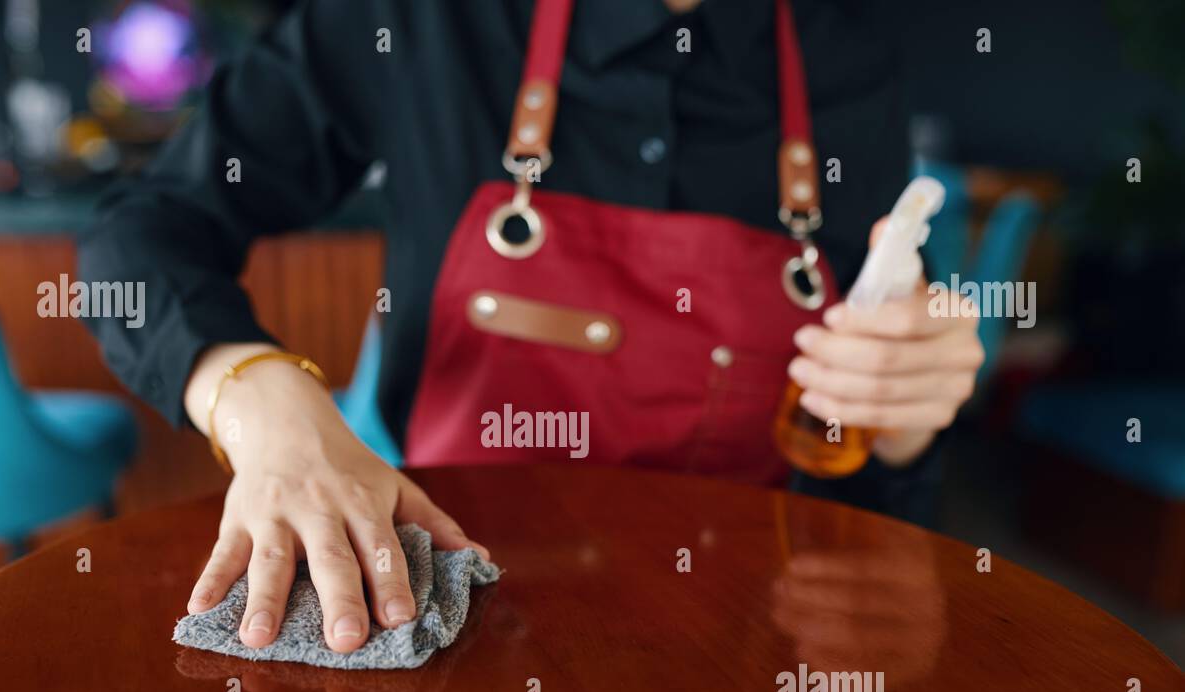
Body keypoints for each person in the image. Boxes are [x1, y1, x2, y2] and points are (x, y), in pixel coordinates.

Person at [78, 0, 983, 654]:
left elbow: (865, 427)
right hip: (454, 623)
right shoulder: (417, 24)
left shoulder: (848, 48)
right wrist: (262, 399)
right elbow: (144, 233)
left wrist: (902, 416)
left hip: (762, 643)